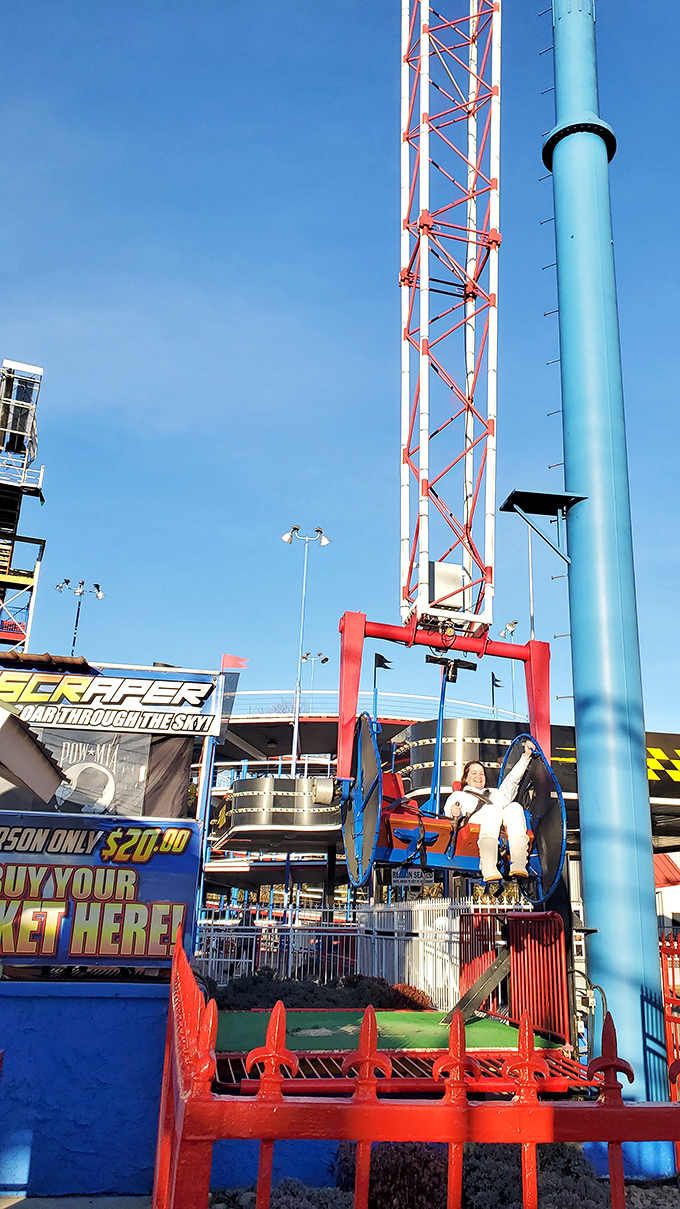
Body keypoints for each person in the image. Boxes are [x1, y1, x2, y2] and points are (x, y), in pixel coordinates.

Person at [443, 740, 536, 887]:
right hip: (474, 823)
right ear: (466, 778)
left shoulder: (494, 794)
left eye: (481, 773)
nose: (478, 776)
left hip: (497, 824)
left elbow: (511, 781)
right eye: (474, 773)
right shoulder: (459, 795)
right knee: (491, 810)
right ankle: (488, 865)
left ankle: (518, 862)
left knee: (515, 807)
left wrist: (525, 757)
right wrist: (453, 811)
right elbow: (450, 808)